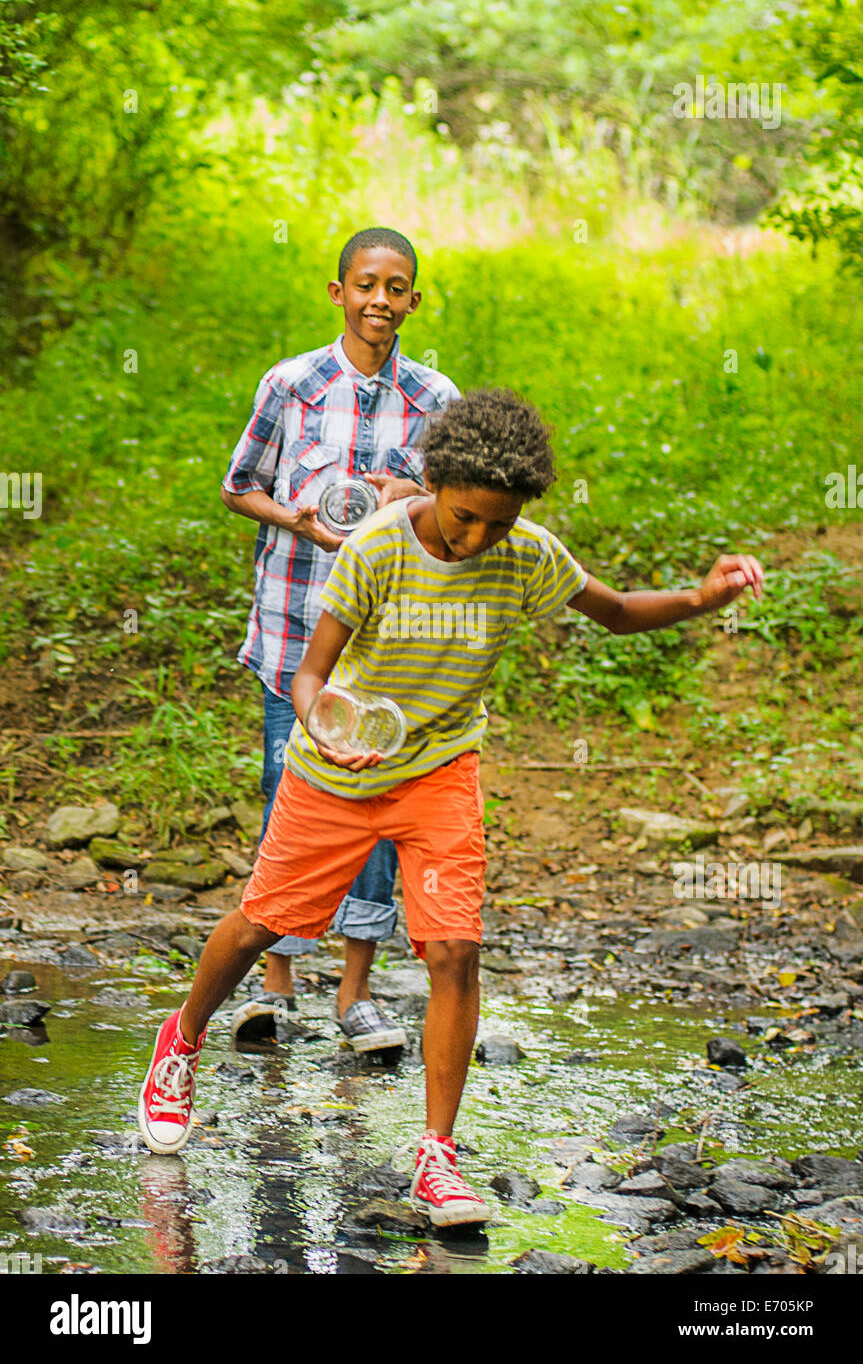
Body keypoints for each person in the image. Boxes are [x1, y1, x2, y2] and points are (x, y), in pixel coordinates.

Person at [138, 388, 764, 1225]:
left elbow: (612, 613)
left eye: (496, 524)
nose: (477, 538)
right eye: (465, 517)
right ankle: (180, 1039)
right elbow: (310, 673)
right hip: (336, 770)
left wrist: (699, 599)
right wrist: (323, 727)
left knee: (454, 950)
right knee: (261, 923)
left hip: (438, 769)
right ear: (432, 482)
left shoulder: (527, 554)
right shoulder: (377, 548)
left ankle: (436, 1156)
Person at [220, 226, 460, 1050]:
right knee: (289, 798)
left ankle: (354, 995)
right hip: (295, 626)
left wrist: (402, 493)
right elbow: (238, 487)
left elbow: (452, 518)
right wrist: (300, 519)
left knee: (380, 809)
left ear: (413, 302)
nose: (379, 302)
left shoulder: (437, 399)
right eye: (365, 285)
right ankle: (275, 984)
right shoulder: (290, 385)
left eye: (396, 289)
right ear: (338, 292)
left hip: (391, 644)